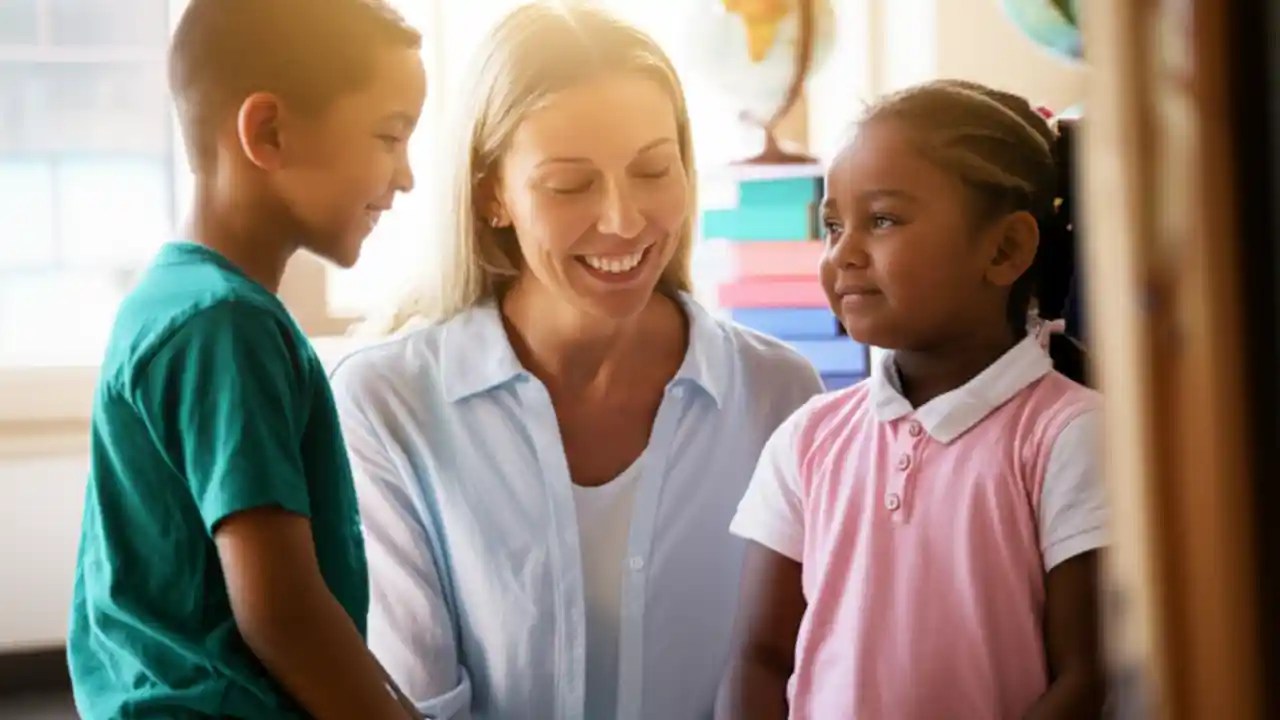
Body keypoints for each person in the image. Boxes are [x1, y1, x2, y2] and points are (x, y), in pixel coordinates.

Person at [328, 3, 823, 718]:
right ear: (492, 194)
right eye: (569, 185)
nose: (623, 220)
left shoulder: (782, 396)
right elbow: (414, 700)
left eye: (654, 170)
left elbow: (813, 675)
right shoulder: (386, 402)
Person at [67, 1, 426, 717]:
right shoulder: (225, 324)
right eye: (389, 137)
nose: (407, 177)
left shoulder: (172, 302)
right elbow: (283, 612)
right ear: (267, 131)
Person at [716, 79, 1108, 720]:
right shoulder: (808, 439)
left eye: (883, 221)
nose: (843, 254)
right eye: (834, 226)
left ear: (1005, 249)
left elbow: (1088, 680)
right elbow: (759, 657)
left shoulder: (1068, 437)